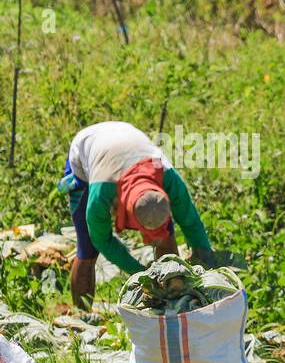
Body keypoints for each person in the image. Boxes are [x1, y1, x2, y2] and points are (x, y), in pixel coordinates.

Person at [61, 121, 216, 308]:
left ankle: (171, 304)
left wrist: (209, 267)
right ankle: (82, 314)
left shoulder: (169, 180)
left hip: (128, 140)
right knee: (87, 248)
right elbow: (102, 241)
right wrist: (141, 274)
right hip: (87, 152)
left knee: (165, 240)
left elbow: (191, 223)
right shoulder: (100, 195)